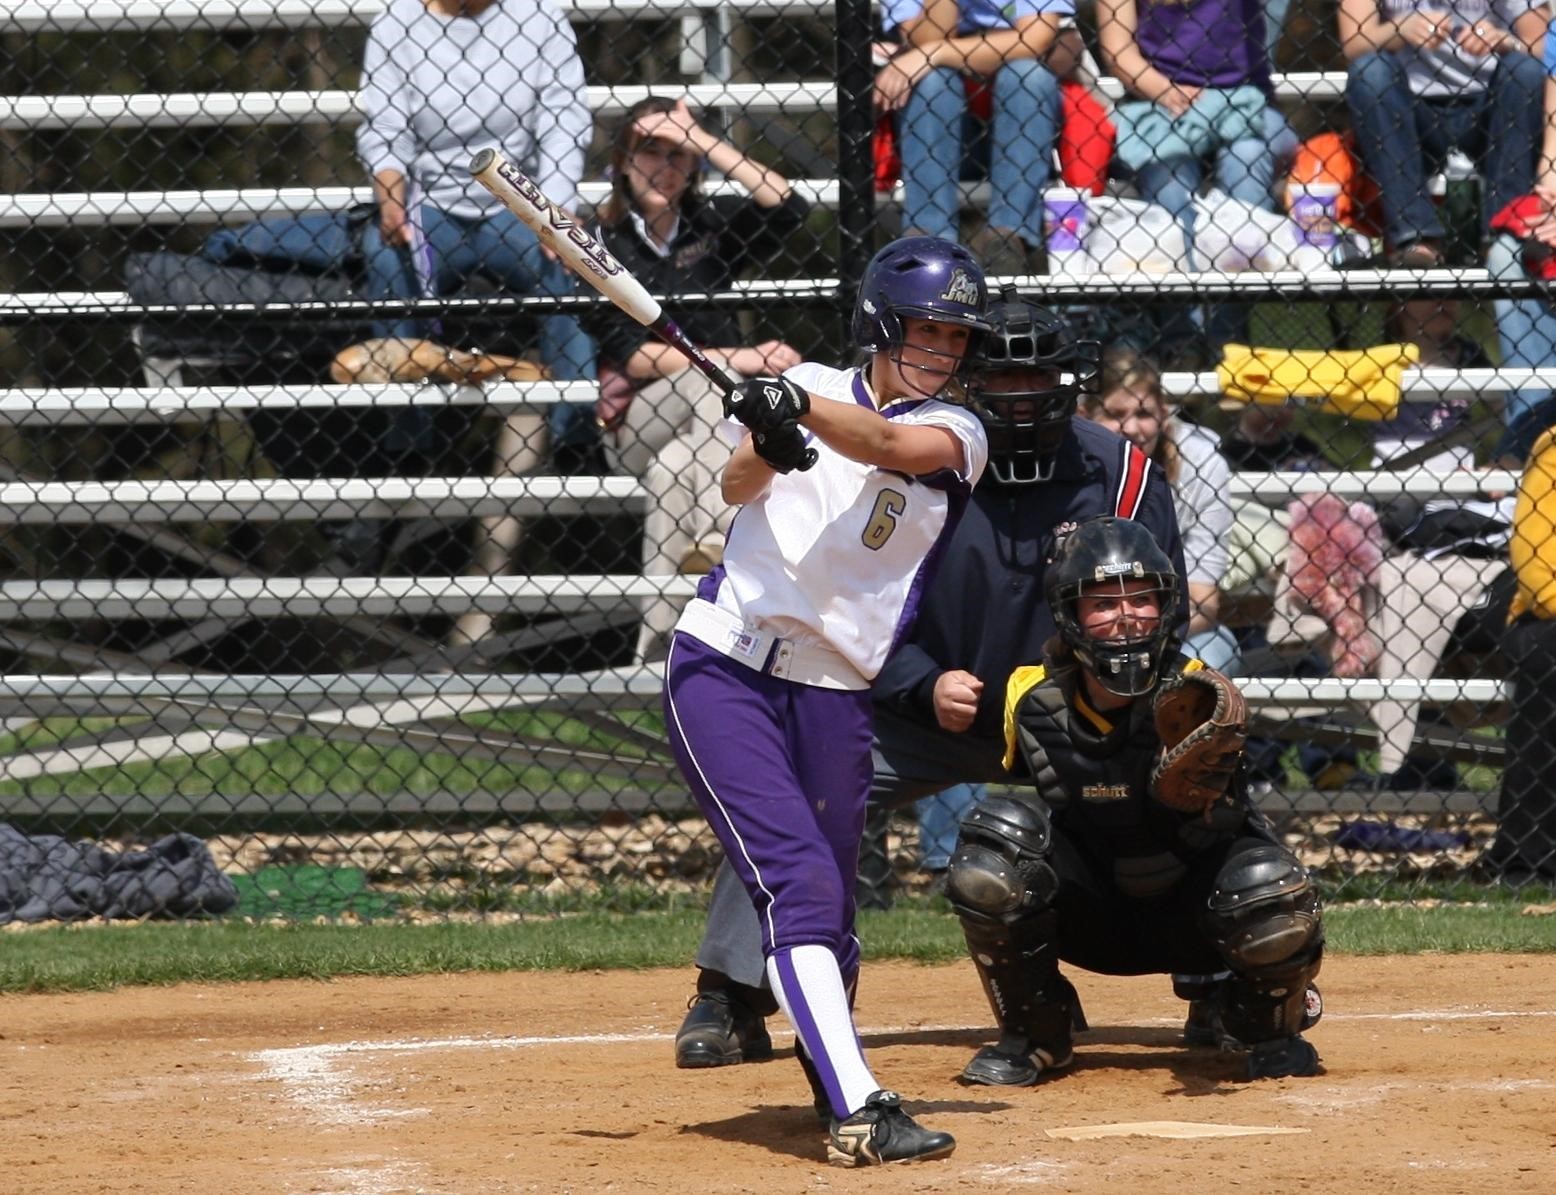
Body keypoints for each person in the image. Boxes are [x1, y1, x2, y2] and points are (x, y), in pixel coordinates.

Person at [675, 293, 1188, 1067]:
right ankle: (730, 992)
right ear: (969, 383)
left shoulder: (1120, 471)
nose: (1020, 395)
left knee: (1184, 769)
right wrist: (919, 683)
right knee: (799, 796)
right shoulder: (930, 451)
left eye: (1037, 377)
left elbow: (1160, 603)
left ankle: (1216, 969)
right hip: (923, 714)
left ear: (1068, 380)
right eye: (1002, 380)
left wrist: (1084, 695)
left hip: (1075, 717)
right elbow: (853, 591)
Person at [663, 234, 993, 1165]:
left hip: (835, 690)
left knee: (833, 907)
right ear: (882, 322)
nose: (944, 349)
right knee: (797, 881)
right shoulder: (810, 381)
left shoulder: (963, 432)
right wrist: (769, 441)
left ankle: (827, 1065)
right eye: (926, 329)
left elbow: (888, 443)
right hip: (726, 665)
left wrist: (790, 403)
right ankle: (857, 1105)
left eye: (956, 336)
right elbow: (734, 487)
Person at [947, 515, 1325, 1086]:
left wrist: (1208, 798)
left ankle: (1256, 1021)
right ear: (1069, 615)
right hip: (1093, 914)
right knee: (993, 845)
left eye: (1142, 598)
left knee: (1265, 881)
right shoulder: (1032, 695)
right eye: (1101, 602)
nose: (1126, 616)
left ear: (1166, 605)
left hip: (1192, 914)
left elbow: (1239, 820)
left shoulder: (1198, 689)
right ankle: (1036, 1031)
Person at [589, 97, 811, 664]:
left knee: (673, 472)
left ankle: (656, 644)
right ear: (621, 161)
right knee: (699, 379)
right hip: (635, 424)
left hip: (702, 436)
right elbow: (635, 359)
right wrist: (747, 357)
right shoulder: (600, 241)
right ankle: (720, 536)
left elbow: (788, 207)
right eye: (649, 152)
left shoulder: (709, 229)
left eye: (677, 155)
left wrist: (702, 137)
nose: (664, 166)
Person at [355, 0, 598, 454]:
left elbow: (563, 119)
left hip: (520, 201)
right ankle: (408, 441)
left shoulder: (540, 18)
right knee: (384, 253)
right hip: (431, 203)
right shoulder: (396, 24)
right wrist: (390, 197)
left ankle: (577, 438)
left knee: (569, 261)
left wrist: (555, 209)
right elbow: (385, 127)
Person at [1096, 0, 1283, 358]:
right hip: (1160, 102)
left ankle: (1226, 337)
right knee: (1170, 180)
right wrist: (1168, 92)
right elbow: (1118, 51)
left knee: (1248, 161)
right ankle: (1180, 333)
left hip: (1246, 103)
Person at [1339, 0, 1546, 267]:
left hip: (1492, 104)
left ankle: (1505, 237)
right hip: (1409, 109)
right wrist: (1399, 29)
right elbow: (1353, 43)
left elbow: (1544, 46)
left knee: (1525, 70)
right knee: (1369, 71)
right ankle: (1415, 238)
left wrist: (1506, 41)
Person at [875, 0, 1067, 274]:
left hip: (1026, 125)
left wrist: (938, 51)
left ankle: (1007, 241)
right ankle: (928, 244)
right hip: (947, 127)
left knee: (1027, 76)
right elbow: (923, 39)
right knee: (932, 82)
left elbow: (1034, 39)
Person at [1083, 349, 1239, 673]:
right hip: (1082, 628)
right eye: (1114, 413)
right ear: (1085, 417)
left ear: (1164, 416)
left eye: (1143, 414)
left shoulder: (1203, 465)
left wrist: (1142, 641)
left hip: (1171, 628)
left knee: (1211, 654)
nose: (1131, 428)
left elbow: (1203, 600)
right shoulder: (1068, 466)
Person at [1484, 423, 1556, 881]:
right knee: (1547, 652)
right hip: (1546, 610)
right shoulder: (1553, 446)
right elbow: (1538, 567)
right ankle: (1529, 856)